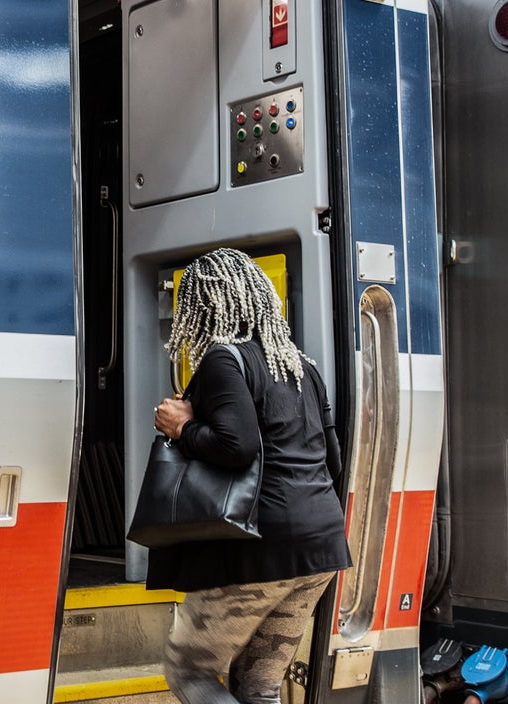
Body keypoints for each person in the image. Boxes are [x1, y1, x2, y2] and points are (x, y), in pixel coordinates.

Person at [150, 247, 351, 704]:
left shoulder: (223, 360)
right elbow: (333, 460)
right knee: (258, 686)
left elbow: (236, 446)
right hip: (320, 546)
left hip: (263, 547)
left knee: (190, 671)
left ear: (202, 308)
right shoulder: (302, 366)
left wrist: (182, 428)